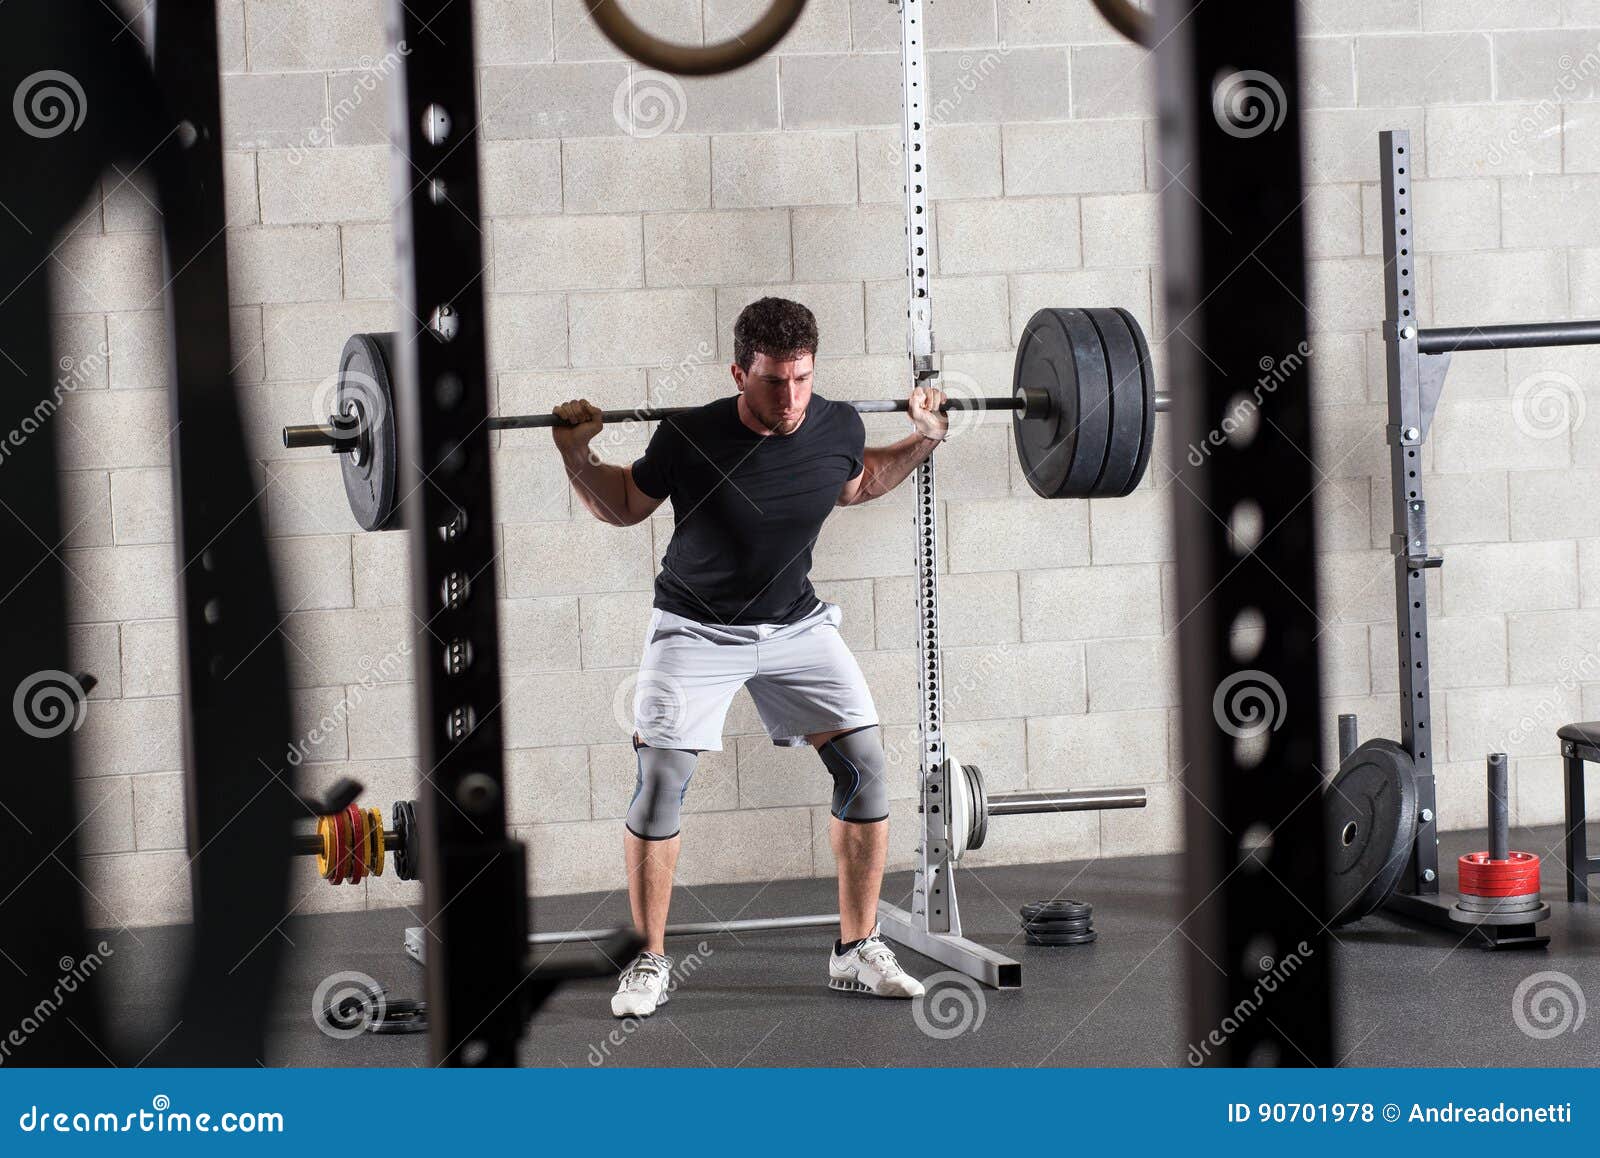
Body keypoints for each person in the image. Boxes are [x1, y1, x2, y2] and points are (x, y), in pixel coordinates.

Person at [552, 296, 949, 1019]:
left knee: (865, 766)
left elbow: (855, 482)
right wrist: (578, 455)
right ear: (740, 372)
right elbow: (624, 507)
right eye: (773, 382)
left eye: (801, 379)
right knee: (663, 776)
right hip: (694, 627)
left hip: (794, 624)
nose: (791, 398)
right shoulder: (689, 434)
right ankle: (648, 959)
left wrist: (925, 439)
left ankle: (856, 949)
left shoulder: (837, 424)